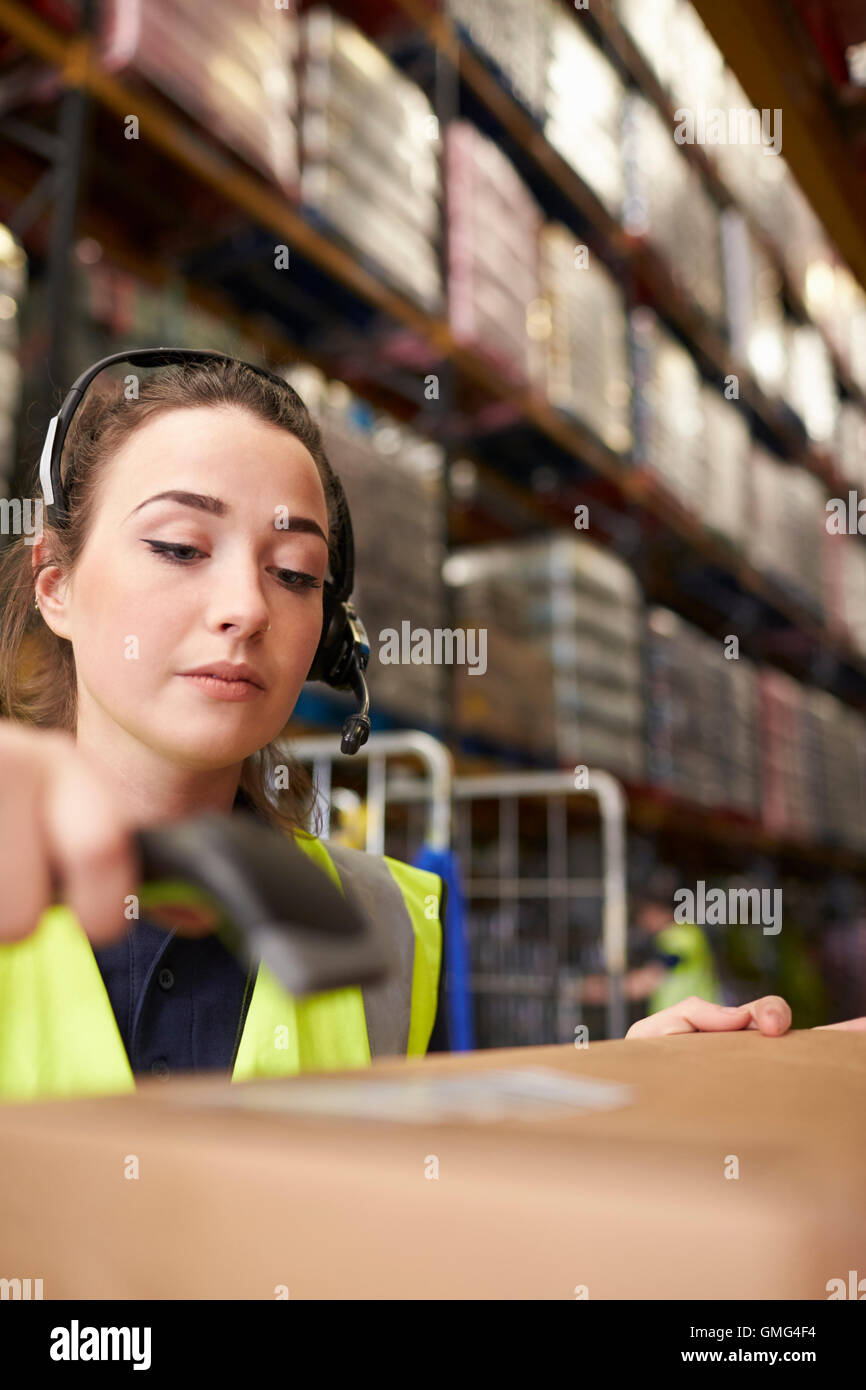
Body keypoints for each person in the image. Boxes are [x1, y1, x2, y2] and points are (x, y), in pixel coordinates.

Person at [0, 354, 444, 1103]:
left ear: (331, 639)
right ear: (57, 585)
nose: (248, 607)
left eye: (297, 573)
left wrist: (645, 1075)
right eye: (180, 547)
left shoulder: (394, 922)